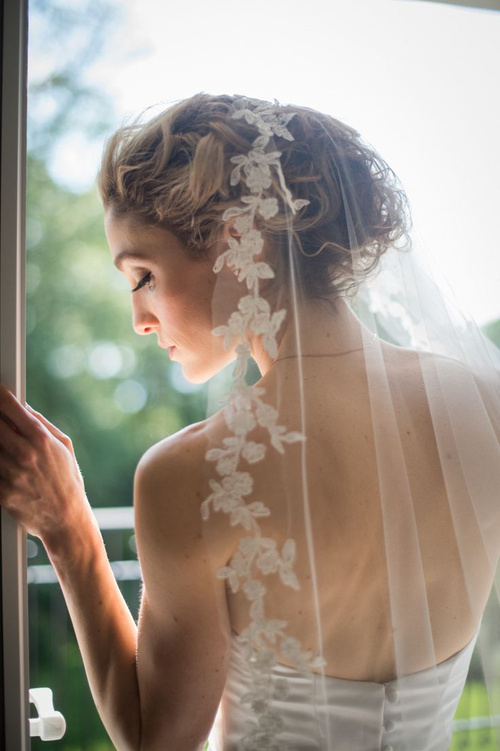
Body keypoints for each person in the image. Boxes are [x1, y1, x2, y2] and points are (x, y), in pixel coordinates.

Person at [0, 93, 499, 751]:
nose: (138, 319)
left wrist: (69, 530)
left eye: (143, 274)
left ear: (237, 240)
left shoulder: (193, 474)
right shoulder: (485, 404)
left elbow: (159, 739)